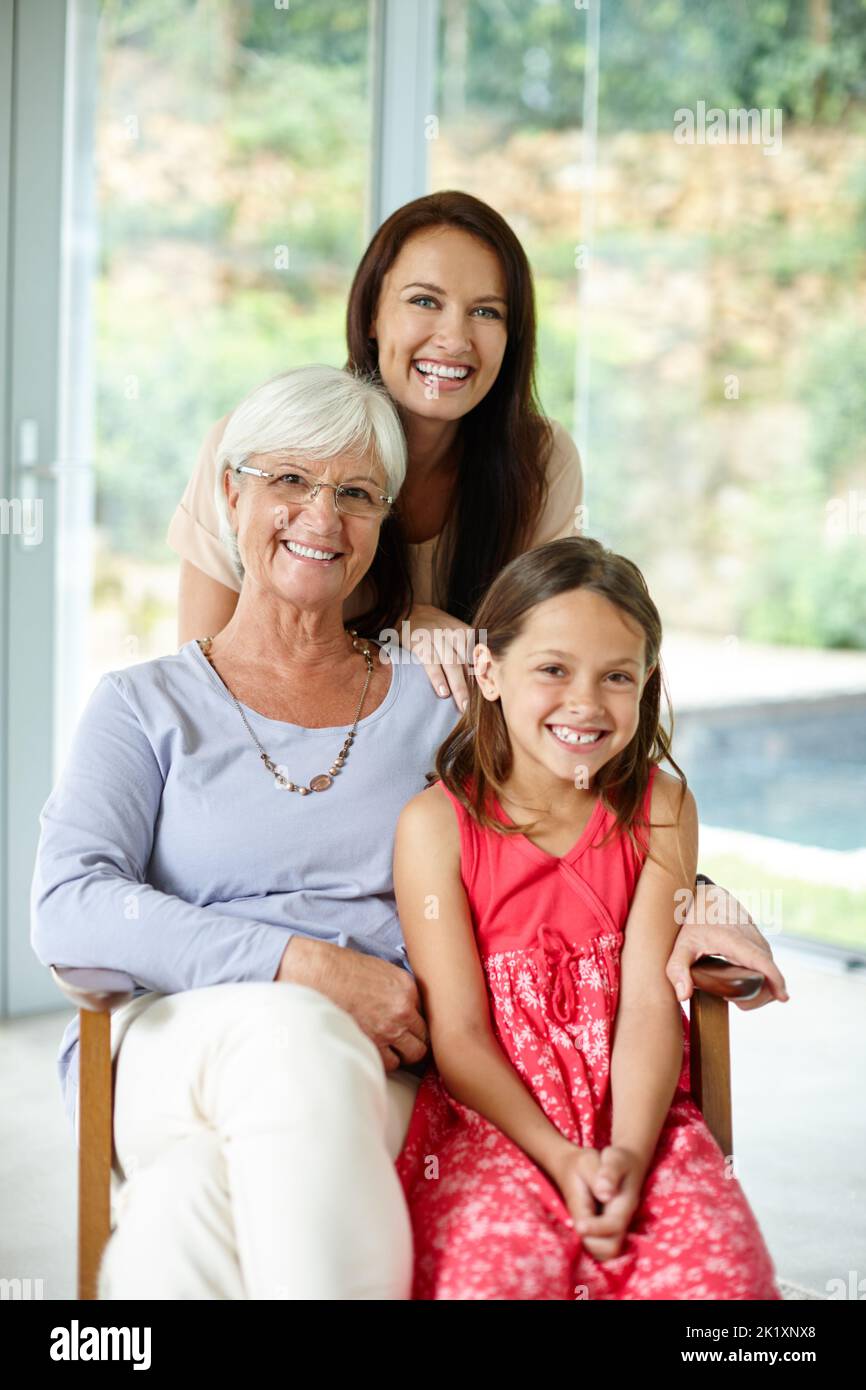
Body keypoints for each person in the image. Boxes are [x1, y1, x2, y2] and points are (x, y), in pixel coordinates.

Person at [30, 364, 785, 1301]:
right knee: (295, 1040)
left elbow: (576, 814)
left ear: (383, 522)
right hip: (178, 1044)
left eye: (356, 493)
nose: (321, 514)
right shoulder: (141, 707)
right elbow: (69, 907)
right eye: (288, 480)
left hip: (387, 1065)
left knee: (185, 1208)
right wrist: (302, 966)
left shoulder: (433, 697)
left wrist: (698, 899)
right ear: (231, 491)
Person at [169, 187, 784, 1011]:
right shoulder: (271, 444)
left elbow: (560, 709)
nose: (454, 338)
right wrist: (405, 625)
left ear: (513, 335)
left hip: (473, 827)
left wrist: (687, 886)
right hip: (315, 820)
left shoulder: (536, 463)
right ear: (372, 318)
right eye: (424, 301)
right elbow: (214, 695)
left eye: (486, 311)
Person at [392, 536, 785, 1300]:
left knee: (724, 1285)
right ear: (488, 672)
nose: (585, 703)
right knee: (494, 1278)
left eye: (616, 677)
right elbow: (461, 1038)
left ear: (647, 684)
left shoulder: (660, 808)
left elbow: (646, 1001)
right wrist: (562, 1158)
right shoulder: (434, 828)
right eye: (552, 670)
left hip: (639, 1116)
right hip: (497, 1128)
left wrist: (629, 1156)